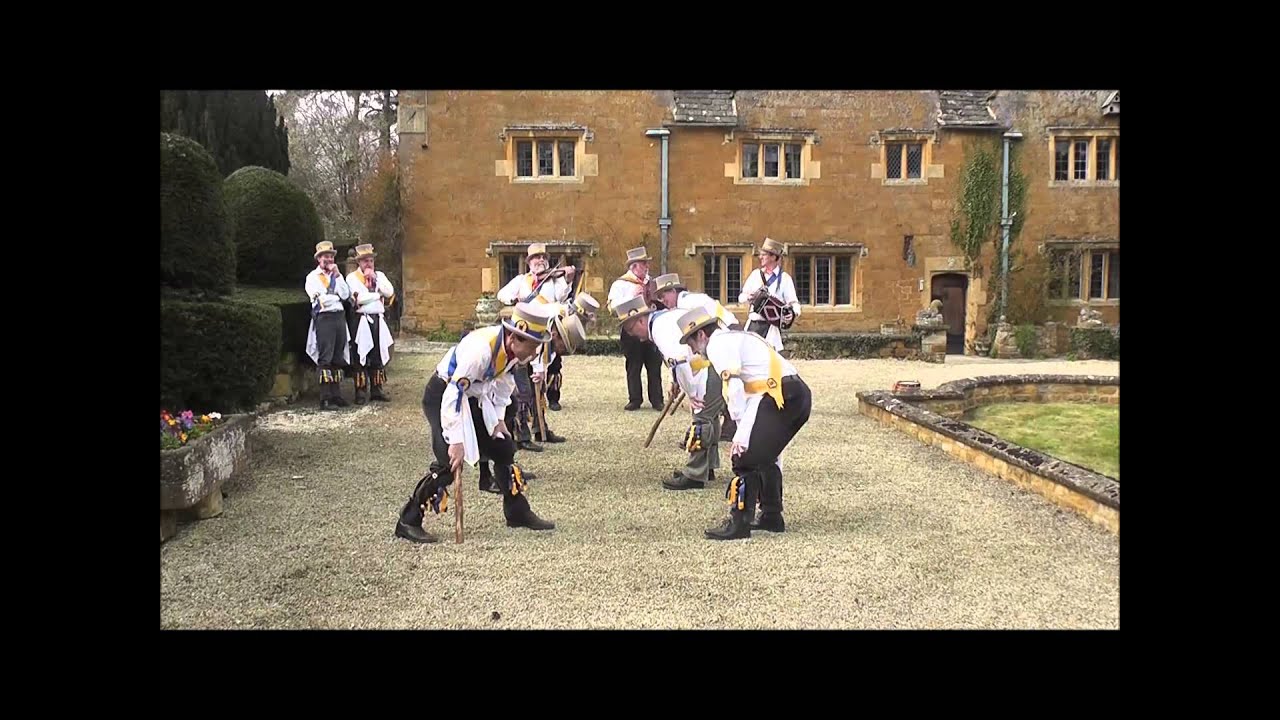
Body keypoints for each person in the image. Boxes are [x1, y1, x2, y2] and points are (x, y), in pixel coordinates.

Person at [394, 302, 559, 544]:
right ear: (514, 338)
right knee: (447, 464)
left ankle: (516, 511)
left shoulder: (513, 352)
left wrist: (499, 420)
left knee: (503, 448)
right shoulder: (481, 350)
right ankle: (408, 520)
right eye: (532, 346)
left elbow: (504, 383)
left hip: (474, 398)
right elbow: (453, 394)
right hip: (443, 395)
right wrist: (456, 440)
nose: (534, 352)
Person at [678, 307, 813, 540]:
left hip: (780, 395)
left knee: (744, 457)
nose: (693, 350)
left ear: (701, 335)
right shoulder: (736, 337)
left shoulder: (717, 345)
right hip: (795, 394)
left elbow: (735, 388)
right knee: (764, 456)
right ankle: (772, 516)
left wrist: (741, 434)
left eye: (691, 343)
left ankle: (739, 522)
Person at [616, 288, 732, 492]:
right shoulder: (662, 321)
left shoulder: (660, 329)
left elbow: (683, 362)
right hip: (713, 359)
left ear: (642, 321)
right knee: (710, 417)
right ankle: (708, 467)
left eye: (633, 330)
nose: (635, 336)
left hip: (710, 363)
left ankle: (695, 474)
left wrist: (693, 394)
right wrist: (675, 382)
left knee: (702, 417)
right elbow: (677, 363)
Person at [496, 243, 575, 449]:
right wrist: (516, 298)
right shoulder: (521, 281)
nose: (540, 261)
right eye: (535, 258)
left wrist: (567, 280)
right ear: (529, 262)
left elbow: (563, 298)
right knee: (521, 389)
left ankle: (541, 429)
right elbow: (502, 295)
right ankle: (522, 436)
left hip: (543, 335)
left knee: (540, 388)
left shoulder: (554, 281)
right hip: (521, 335)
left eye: (542, 257)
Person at [608, 246, 664, 411]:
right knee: (633, 365)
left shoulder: (651, 282)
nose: (647, 267)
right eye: (643, 264)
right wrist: (632, 295)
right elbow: (612, 307)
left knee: (654, 364)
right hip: (632, 328)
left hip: (650, 327)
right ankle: (635, 399)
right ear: (633, 266)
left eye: (646, 264)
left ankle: (657, 400)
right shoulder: (620, 284)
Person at [344, 243, 396, 404]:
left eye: (371, 260)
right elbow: (358, 298)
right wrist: (376, 296)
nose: (368, 263)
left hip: (378, 319)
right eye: (365, 260)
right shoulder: (352, 278)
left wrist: (376, 284)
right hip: (361, 320)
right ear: (359, 262)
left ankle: (377, 389)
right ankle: (360, 391)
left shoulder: (379, 275)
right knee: (360, 355)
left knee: (377, 354)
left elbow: (389, 292)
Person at [304, 240, 352, 411]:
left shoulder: (337, 276)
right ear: (319, 259)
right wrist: (334, 296)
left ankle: (336, 395)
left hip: (339, 316)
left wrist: (338, 277)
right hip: (324, 318)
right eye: (325, 256)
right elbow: (320, 299)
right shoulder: (312, 277)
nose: (329, 259)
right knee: (326, 356)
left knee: (338, 356)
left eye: (331, 256)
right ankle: (325, 398)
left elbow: (345, 295)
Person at [737, 237, 801, 352]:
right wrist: (749, 297)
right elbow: (741, 298)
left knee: (769, 363)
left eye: (763, 254)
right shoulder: (755, 275)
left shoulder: (785, 279)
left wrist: (792, 314)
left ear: (773, 257)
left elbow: (794, 304)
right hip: (753, 326)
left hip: (772, 330)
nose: (760, 257)